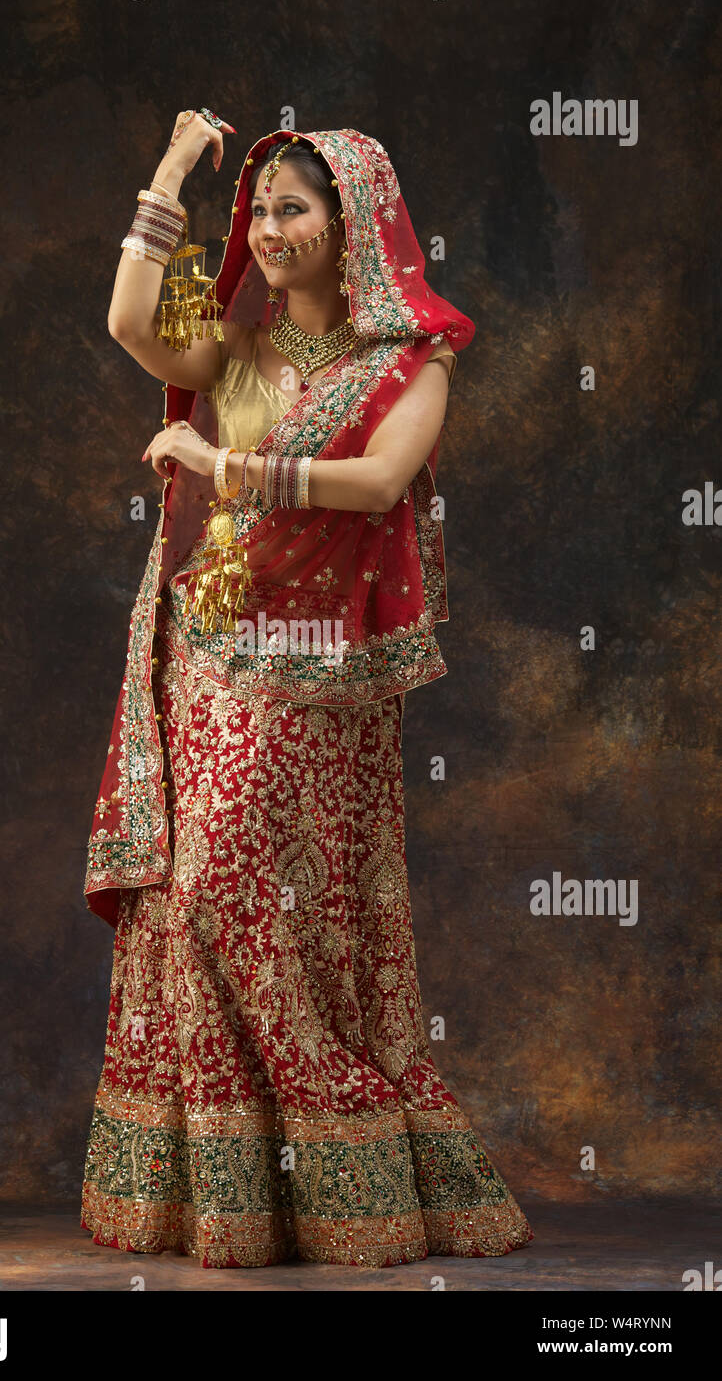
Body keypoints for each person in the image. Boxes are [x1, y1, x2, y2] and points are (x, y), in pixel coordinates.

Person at [79, 110, 534, 1269]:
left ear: (353, 227)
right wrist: (176, 170)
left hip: (323, 674)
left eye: (294, 211)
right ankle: (234, 1195)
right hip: (206, 648)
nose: (271, 232)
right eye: (261, 212)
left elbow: (378, 483)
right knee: (188, 905)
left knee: (262, 891)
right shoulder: (234, 344)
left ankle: (341, 1142)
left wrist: (220, 461)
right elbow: (132, 320)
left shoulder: (411, 357)